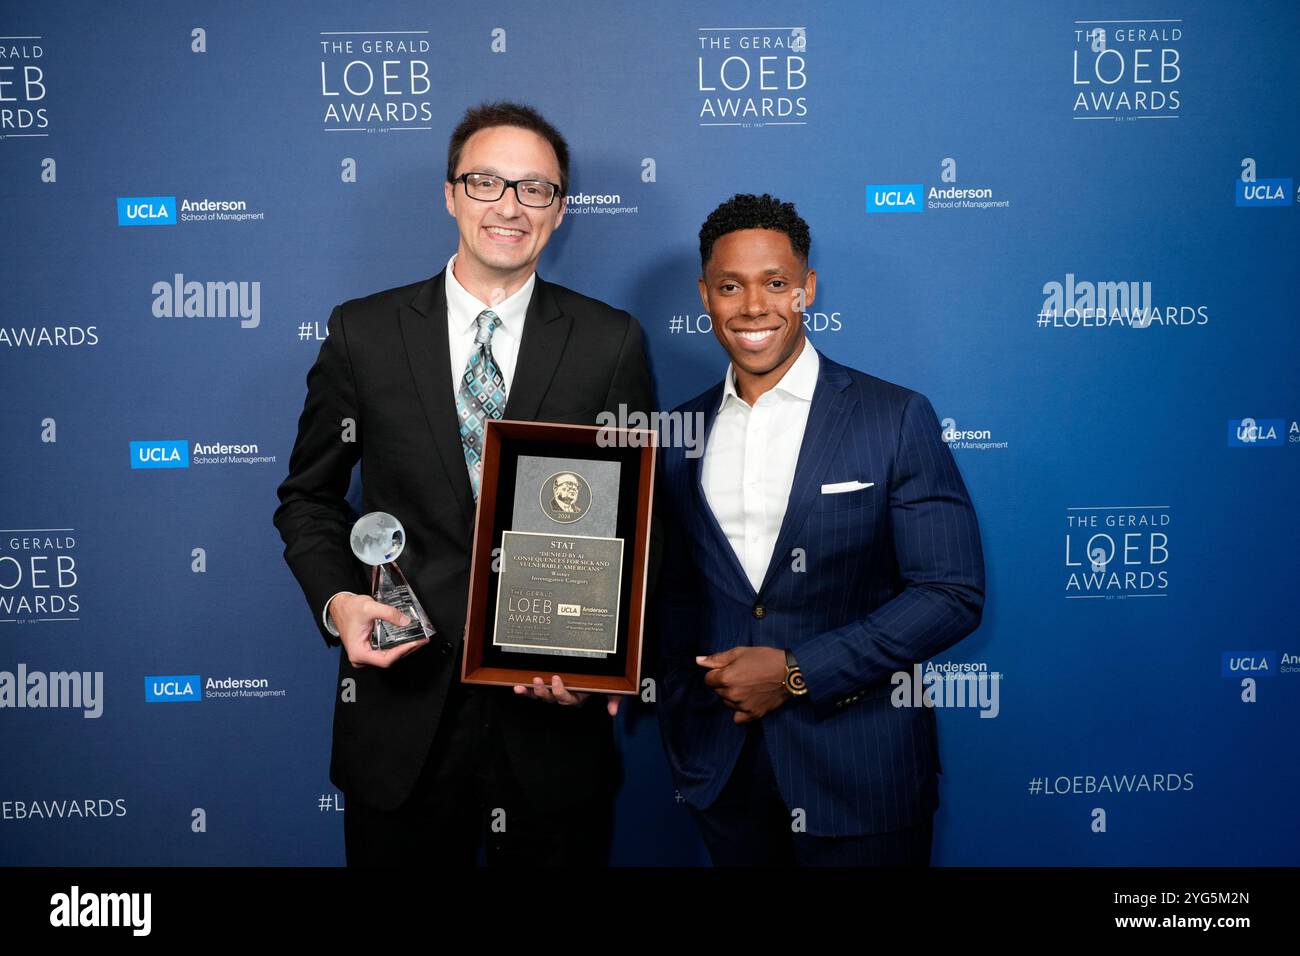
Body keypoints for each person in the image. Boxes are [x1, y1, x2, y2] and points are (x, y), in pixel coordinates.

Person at [273, 101, 653, 866]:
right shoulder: (364, 333)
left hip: (551, 720)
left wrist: (604, 659)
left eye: (534, 189)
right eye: (486, 182)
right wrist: (339, 600)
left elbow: (638, 522)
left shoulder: (609, 342)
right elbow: (308, 498)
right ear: (451, 194)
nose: (509, 206)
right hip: (402, 715)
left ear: (559, 210)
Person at [655, 193, 984, 866]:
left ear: (806, 290)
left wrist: (798, 672)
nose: (753, 306)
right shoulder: (674, 436)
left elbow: (950, 592)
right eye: (730, 286)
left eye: (776, 283)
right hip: (723, 772)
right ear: (705, 296)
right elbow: (667, 596)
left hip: (861, 772)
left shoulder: (892, 417)